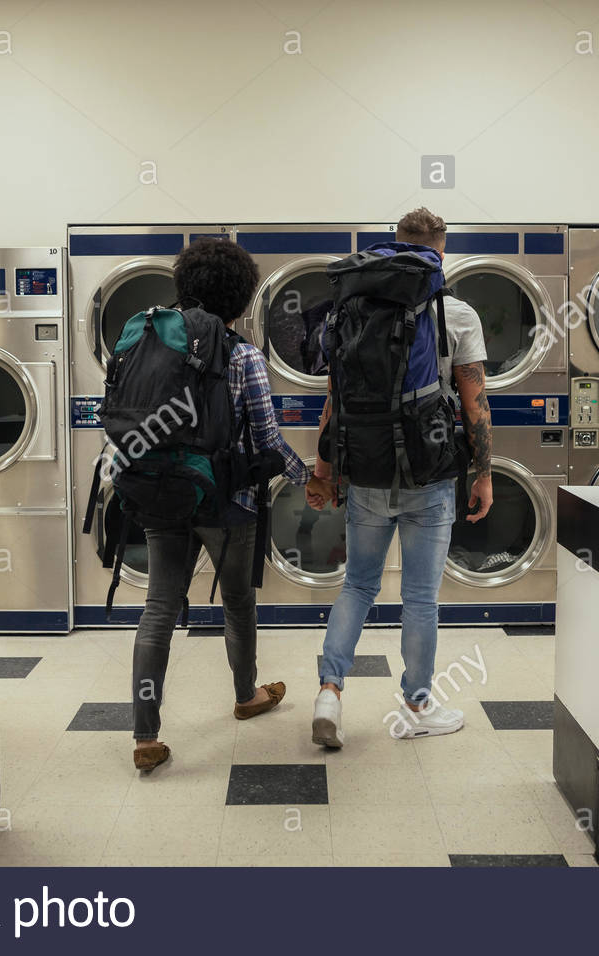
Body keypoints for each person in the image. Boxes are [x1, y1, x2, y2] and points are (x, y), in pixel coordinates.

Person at [131, 238, 334, 770]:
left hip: (158, 492)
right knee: (238, 601)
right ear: (242, 298)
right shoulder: (242, 355)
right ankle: (246, 696)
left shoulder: (146, 341)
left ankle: (145, 737)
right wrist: (312, 480)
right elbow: (266, 441)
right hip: (228, 500)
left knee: (158, 608)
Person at [308, 208, 494, 746]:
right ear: (440, 252)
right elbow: (475, 404)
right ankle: (416, 707)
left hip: (365, 471)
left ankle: (330, 692)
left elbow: (334, 401)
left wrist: (323, 471)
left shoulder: (352, 310)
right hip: (430, 476)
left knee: (358, 585)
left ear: (394, 246)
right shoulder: (455, 313)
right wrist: (482, 475)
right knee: (419, 598)